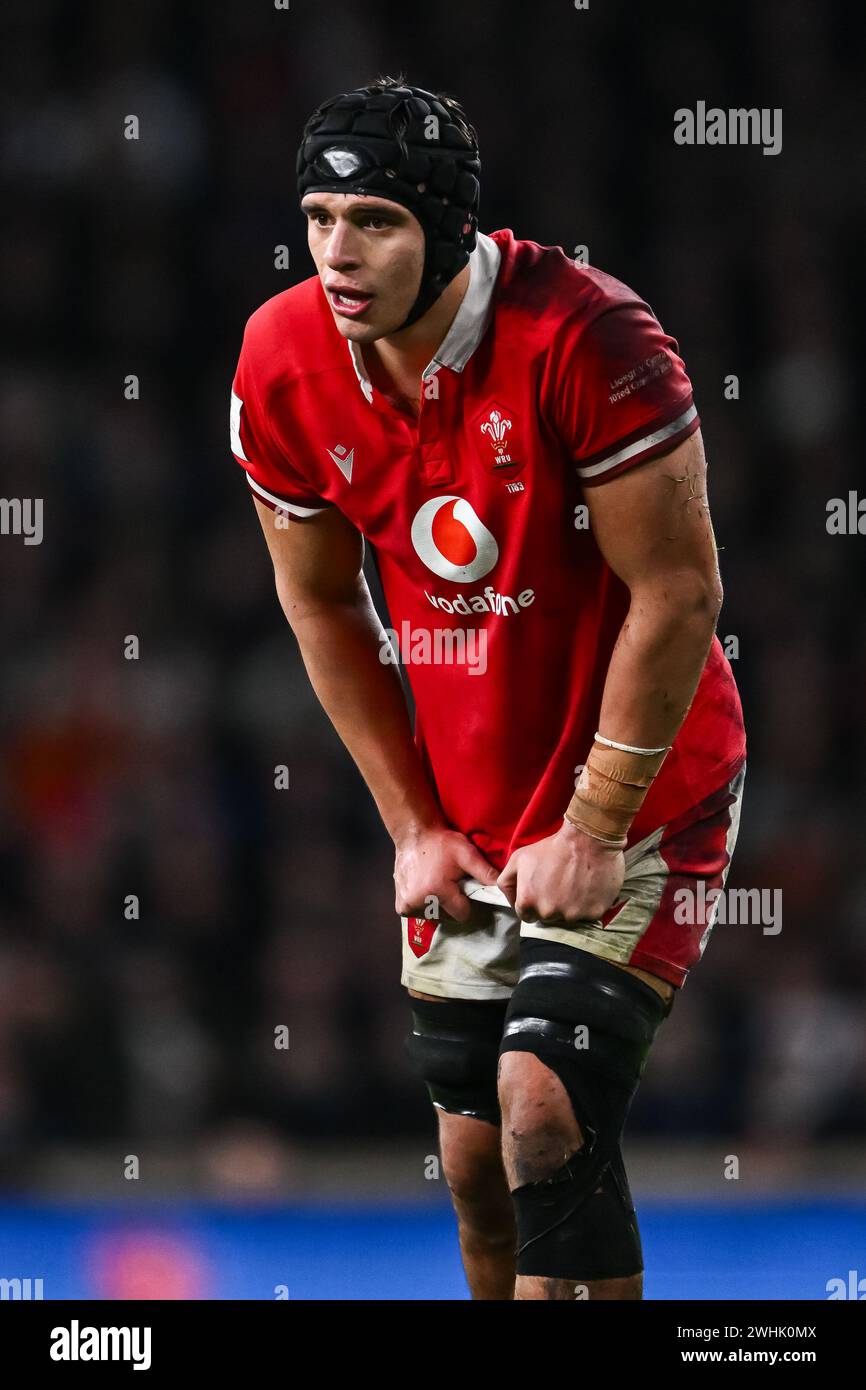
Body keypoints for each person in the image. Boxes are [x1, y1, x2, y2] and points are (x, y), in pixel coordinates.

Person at [229, 75, 747, 1300]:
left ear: (449, 230)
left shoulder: (588, 337)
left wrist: (595, 823)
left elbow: (678, 593)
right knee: (473, 1170)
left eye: (375, 222)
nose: (336, 255)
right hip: (469, 810)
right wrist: (411, 823)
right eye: (317, 216)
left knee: (537, 1106)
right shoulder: (281, 356)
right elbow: (318, 600)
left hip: (643, 790)